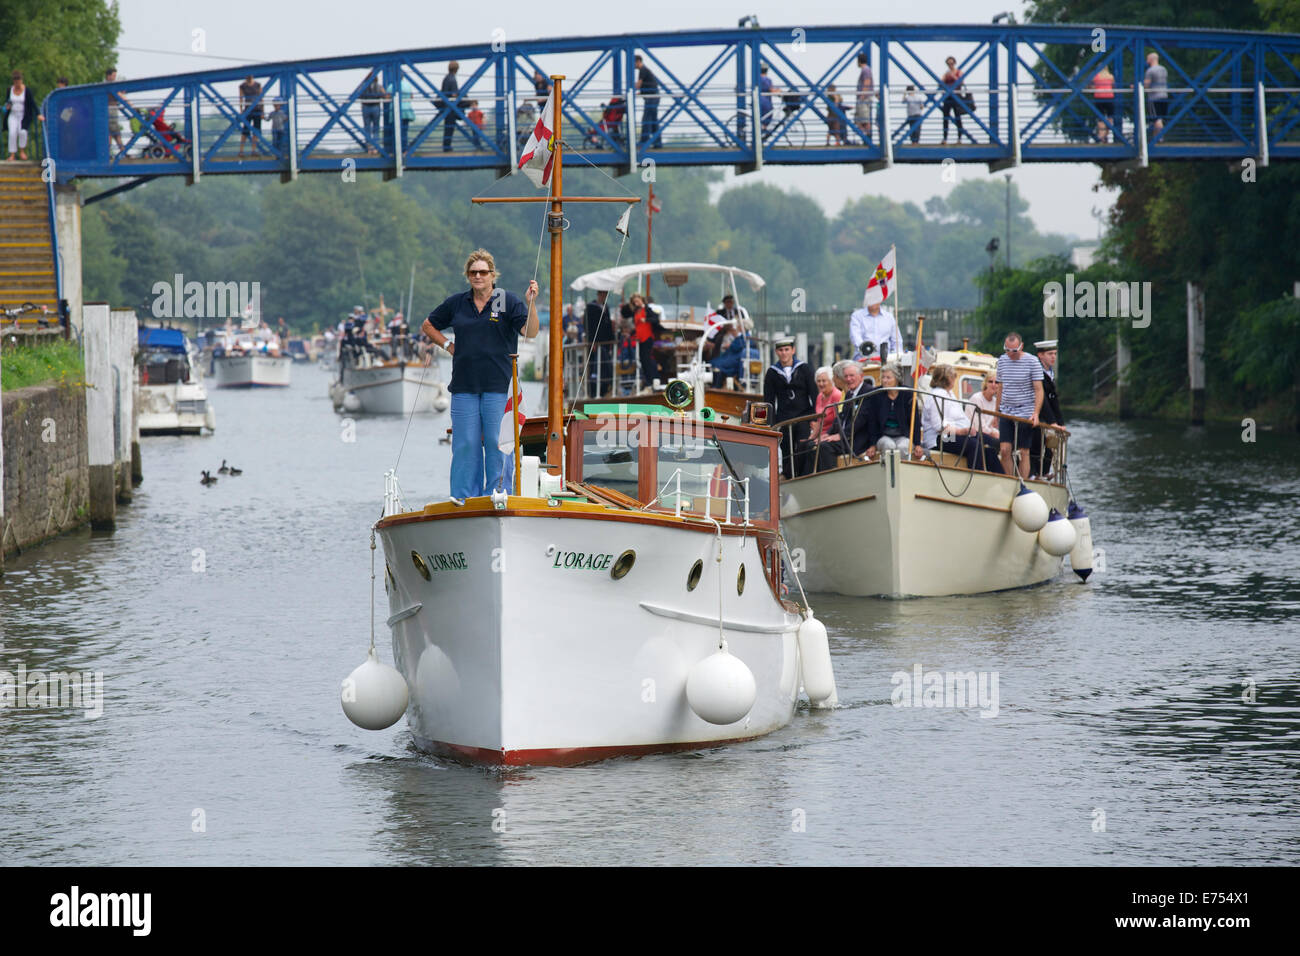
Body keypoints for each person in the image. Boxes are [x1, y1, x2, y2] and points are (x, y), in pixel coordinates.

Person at [421, 249, 540, 500]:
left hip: (499, 385)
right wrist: (447, 346)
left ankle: (498, 493)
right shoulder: (457, 303)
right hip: (464, 385)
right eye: (473, 272)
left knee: (499, 444)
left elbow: (530, 332)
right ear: (467, 275)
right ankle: (464, 498)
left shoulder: (506, 300)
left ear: (492, 274)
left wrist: (531, 304)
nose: (478, 276)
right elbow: (428, 325)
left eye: (483, 272)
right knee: (465, 445)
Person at [925, 365, 1003, 473]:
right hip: (941, 437)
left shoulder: (950, 394)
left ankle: (1001, 477)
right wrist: (961, 431)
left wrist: (968, 430)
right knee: (974, 445)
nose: (954, 380)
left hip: (953, 433)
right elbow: (939, 426)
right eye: (953, 377)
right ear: (948, 379)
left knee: (991, 444)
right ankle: (976, 477)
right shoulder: (937, 395)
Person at [763, 336, 817, 478]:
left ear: (793, 350)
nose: (784, 353)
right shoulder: (772, 373)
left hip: (803, 416)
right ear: (776, 352)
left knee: (803, 446)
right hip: (784, 417)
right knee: (786, 448)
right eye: (781, 350)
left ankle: (803, 475)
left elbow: (814, 393)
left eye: (787, 349)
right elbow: (769, 400)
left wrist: (814, 416)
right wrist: (772, 423)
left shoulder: (804, 369)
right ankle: (788, 475)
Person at [995, 331, 1044, 479]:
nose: (1010, 353)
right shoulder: (1002, 361)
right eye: (1007, 349)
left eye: (1014, 350)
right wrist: (996, 411)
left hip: (1025, 410)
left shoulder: (1032, 361)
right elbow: (1000, 387)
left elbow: (1038, 389)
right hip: (1006, 410)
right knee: (1004, 449)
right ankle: (1010, 480)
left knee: (1024, 451)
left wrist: (1035, 413)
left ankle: (1023, 483)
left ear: (1021, 346)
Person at [864, 364, 923, 460]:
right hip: (883, 436)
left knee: (903, 447)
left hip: (904, 436)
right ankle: (887, 472)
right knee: (889, 446)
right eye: (883, 377)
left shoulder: (908, 394)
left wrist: (917, 444)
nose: (884, 380)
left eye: (888, 377)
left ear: (897, 379)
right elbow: (872, 422)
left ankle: (902, 472)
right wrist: (872, 445)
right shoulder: (876, 394)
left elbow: (915, 421)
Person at [1031, 339, 1065, 478]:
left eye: (1055, 354)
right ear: (1040, 355)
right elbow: (1042, 399)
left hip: (1046, 417)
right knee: (1037, 444)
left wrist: (1061, 423)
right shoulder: (1037, 373)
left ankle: (1043, 472)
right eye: (1050, 354)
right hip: (1036, 414)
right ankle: (1035, 473)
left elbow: (1053, 400)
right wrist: (1052, 422)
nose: (1053, 357)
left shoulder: (1049, 373)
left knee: (1051, 444)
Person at [849, 286, 902, 361]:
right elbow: (855, 337)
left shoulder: (889, 317)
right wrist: (864, 349)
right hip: (863, 358)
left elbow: (897, 340)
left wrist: (897, 356)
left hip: (886, 360)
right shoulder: (857, 316)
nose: (873, 301)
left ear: (881, 299)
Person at [807, 366, 843, 473]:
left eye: (824, 381)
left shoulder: (837, 395)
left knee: (819, 447)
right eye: (818, 381)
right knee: (805, 445)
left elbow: (839, 421)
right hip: (821, 434)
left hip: (831, 434)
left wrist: (827, 436)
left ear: (831, 381)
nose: (821, 384)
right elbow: (819, 421)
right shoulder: (819, 396)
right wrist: (811, 437)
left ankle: (822, 474)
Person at [583, 288, 615, 397]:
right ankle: (594, 391)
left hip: (605, 342)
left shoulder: (606, 307)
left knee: (605, 366)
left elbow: (608, 324)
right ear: (599, 295)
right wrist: (592, 342)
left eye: (605, 295)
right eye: (602, 295)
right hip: (595, 343)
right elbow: (589, 326)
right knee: (595, 366)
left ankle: (605, 389)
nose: (604, 297)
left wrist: (612, 339)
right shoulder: (591, 308)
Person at [5, 71, 38, 161]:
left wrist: (38, 114)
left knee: (22, 132)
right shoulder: (10, 90)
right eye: (15, 82)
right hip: (13, 115)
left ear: (21, 80)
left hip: (23, 115)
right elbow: (7, 101)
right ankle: (12, 154)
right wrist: (7, 106)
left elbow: (32, 103)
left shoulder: (27, 90)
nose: (17, 83)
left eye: (18, 81)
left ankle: (22, 151)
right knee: (12, 133)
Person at [968, 370, 1002, 441]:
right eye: (990, 381)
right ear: (985, 383)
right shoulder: (977, 398)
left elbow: (993, 426)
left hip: (987, 434)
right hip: (974, 434)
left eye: (996, 382)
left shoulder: (996, 402)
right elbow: (978, 426)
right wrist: (994, 433)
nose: (993, 384)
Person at [634, 55, 660, 147]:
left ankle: (644, 142)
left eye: (633, 63)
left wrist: (631, 86)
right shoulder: (644, 70)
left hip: (651, 98)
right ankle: (657, 143)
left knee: (646, 119)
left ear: (638, 61)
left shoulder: (642, 70)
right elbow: (645, 86)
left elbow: (638, 85)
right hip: (653, 96)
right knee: (653, 120)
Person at [940, 56, 966, 145]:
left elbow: (962, 82)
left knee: (958, 117)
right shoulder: (946, 73)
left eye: (951, 63)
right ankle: (945, 138)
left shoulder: (959, 72)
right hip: (947, 97)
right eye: (948, 64)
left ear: (954, 63)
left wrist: (954, 77)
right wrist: (944, 78)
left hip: (956, 97)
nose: (950, 65)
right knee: (945, 118)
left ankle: (959, 138)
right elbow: (940, 82)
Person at [361, 71, 386, 156]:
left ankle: (369, 148)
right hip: (375, 107)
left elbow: (357, 94)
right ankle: (375, 148)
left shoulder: (364, 85)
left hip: (366, 107)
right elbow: (385, 95)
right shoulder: (378, 86)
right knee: (376, 128)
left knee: (367, 128)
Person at [238, 75, 263, 158]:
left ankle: (253, 150)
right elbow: (241, 98)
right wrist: (241, 111)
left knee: (256, 131)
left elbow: (261, 98)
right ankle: (241, 151)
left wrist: (262, 111)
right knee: (245, 131)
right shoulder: (242, 86)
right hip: (248, 110)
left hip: (257, 109)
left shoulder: (258, 85)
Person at [1144, 52, 1168, 135]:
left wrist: (1136, 87)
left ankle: (1160, 137)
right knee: (1161, 119)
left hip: (1154, 97)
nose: (1146, 61)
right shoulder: (1164, 69)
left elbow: (1147, 84)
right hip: (1164, 96)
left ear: (1151, 59)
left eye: (1147, 59)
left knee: (1156, 119)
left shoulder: (1150, 71)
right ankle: (1156, 139)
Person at [105, 68, 127, 155]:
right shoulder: (110, 85)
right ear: (108, 76)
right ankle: (122, 151)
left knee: (110, 132)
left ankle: (109, 153)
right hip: (111, 110)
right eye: (113, 75)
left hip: (109, 110)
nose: (115, 77)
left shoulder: (106, 85)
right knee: (114, 132)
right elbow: (120, 95)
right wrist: (131, 105)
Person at [1092, 64, 1115, 142]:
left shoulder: (1096, 76)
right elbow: (1113, 85)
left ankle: (1101, 136)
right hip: (1109, 98)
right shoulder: (1110, 76)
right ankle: (1105, 135)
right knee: (1110, 117)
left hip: (1099, 98)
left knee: (1100, 119)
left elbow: (1092, 86)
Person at [441, 61, 459, 152]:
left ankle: (446, 146)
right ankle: (447, 147)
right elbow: (454, 94)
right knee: (450, 127)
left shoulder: (446, 78)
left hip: (445, 106)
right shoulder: (452, 79)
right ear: (456, 69)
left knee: (447, 127)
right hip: (450, 107)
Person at [854, 52, 873, 140]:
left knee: (864, 120)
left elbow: (867, 82)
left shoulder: (865, 69)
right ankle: (866, 137)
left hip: (864, 99)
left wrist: (862, 96)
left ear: (859, 61)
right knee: (859, 120)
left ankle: (867, 137)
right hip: (863, 98)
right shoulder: (866, 69)